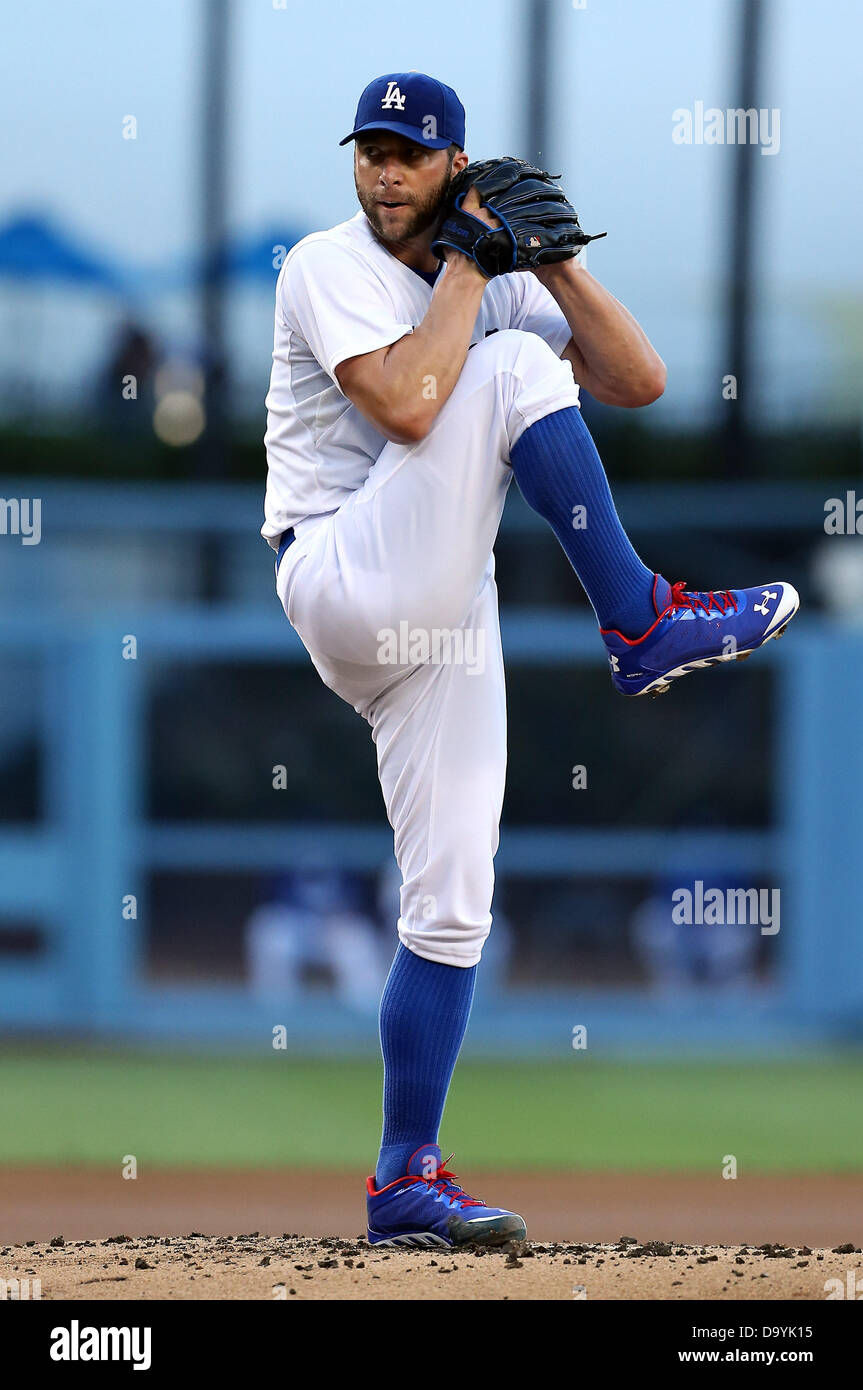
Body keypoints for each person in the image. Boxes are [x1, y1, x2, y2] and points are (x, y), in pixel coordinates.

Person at [262, 72, 799, 1248]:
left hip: (437, 604)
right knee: (507, 372)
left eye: (409, 154)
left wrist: (552, 260)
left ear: (455, 167)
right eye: (370, 151)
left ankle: (404, 1175)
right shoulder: (324, 265)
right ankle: (641, 617)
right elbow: (408, 405)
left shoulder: (493, 277)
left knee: (450, 899)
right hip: (342, 574)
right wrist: (473, 267)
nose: (384, 173)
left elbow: (640, 381)